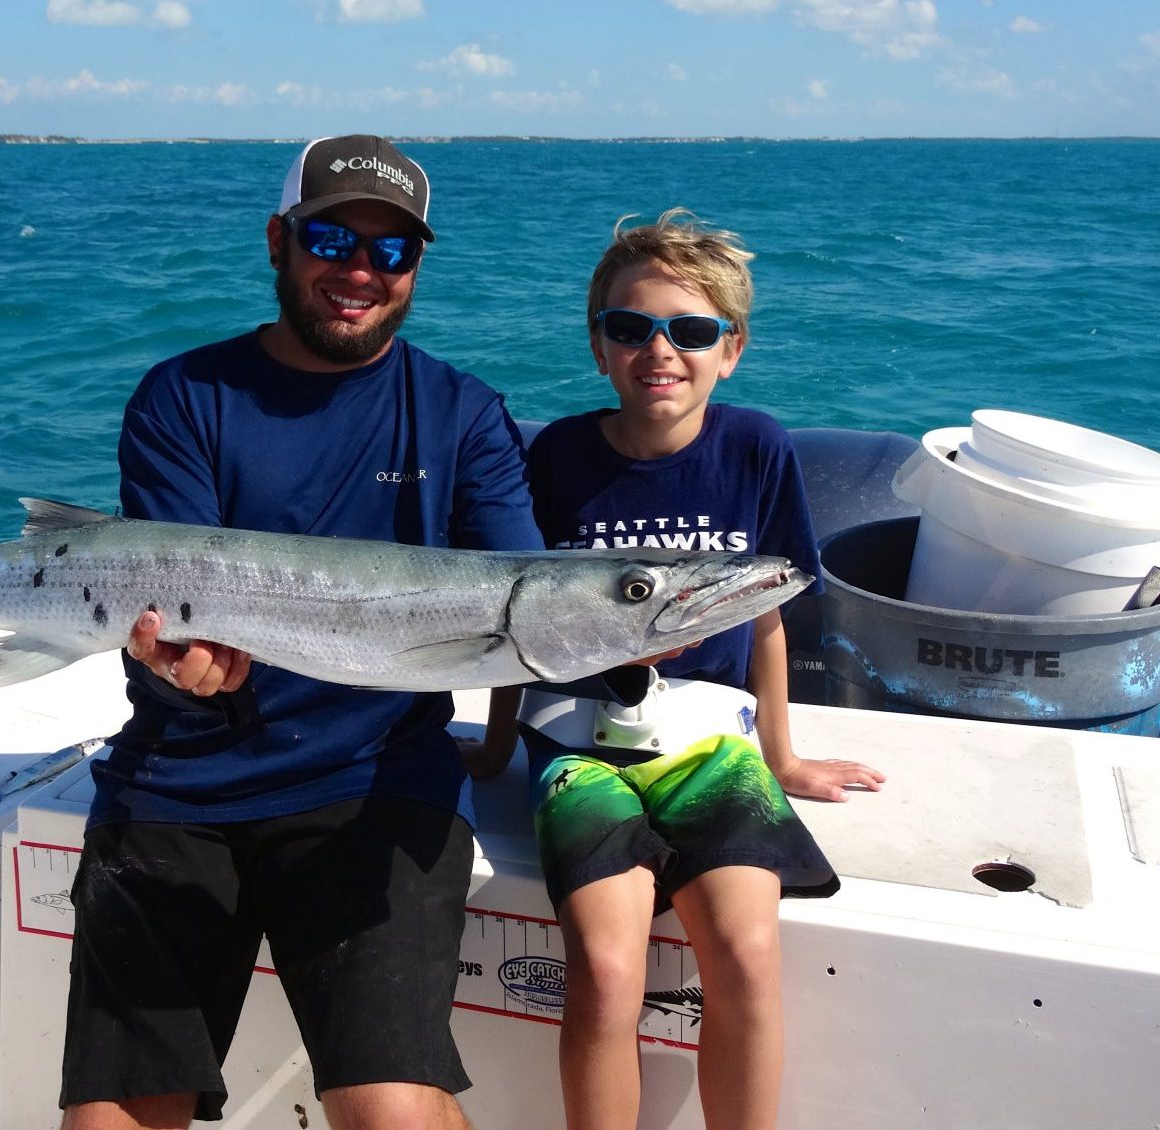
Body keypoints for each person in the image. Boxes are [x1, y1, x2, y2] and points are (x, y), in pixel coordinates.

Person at [59, 135, 544, 1130]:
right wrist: (178, 668)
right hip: (179, 777)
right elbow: (174, 604)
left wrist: (629, 638)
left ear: (415, 267)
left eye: (390, 250)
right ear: (278, 240)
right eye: (331, 239)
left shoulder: (462, 414)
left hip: (375, 780)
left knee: (392, 1109)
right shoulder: (184, 397)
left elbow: (525, 595)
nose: (359, 270)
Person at [465, 209, 885, 1130]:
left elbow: (767, 617)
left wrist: (782, 757)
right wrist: (495, 750)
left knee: (745, 955)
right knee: (605, 969)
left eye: (690, 330)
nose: (660, 351)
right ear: (599, 346)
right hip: (578, 747)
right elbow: (516, 625)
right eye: (631, 327)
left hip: (712, 748)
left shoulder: (757, 448)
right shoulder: (556, 457)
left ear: (730, 350)